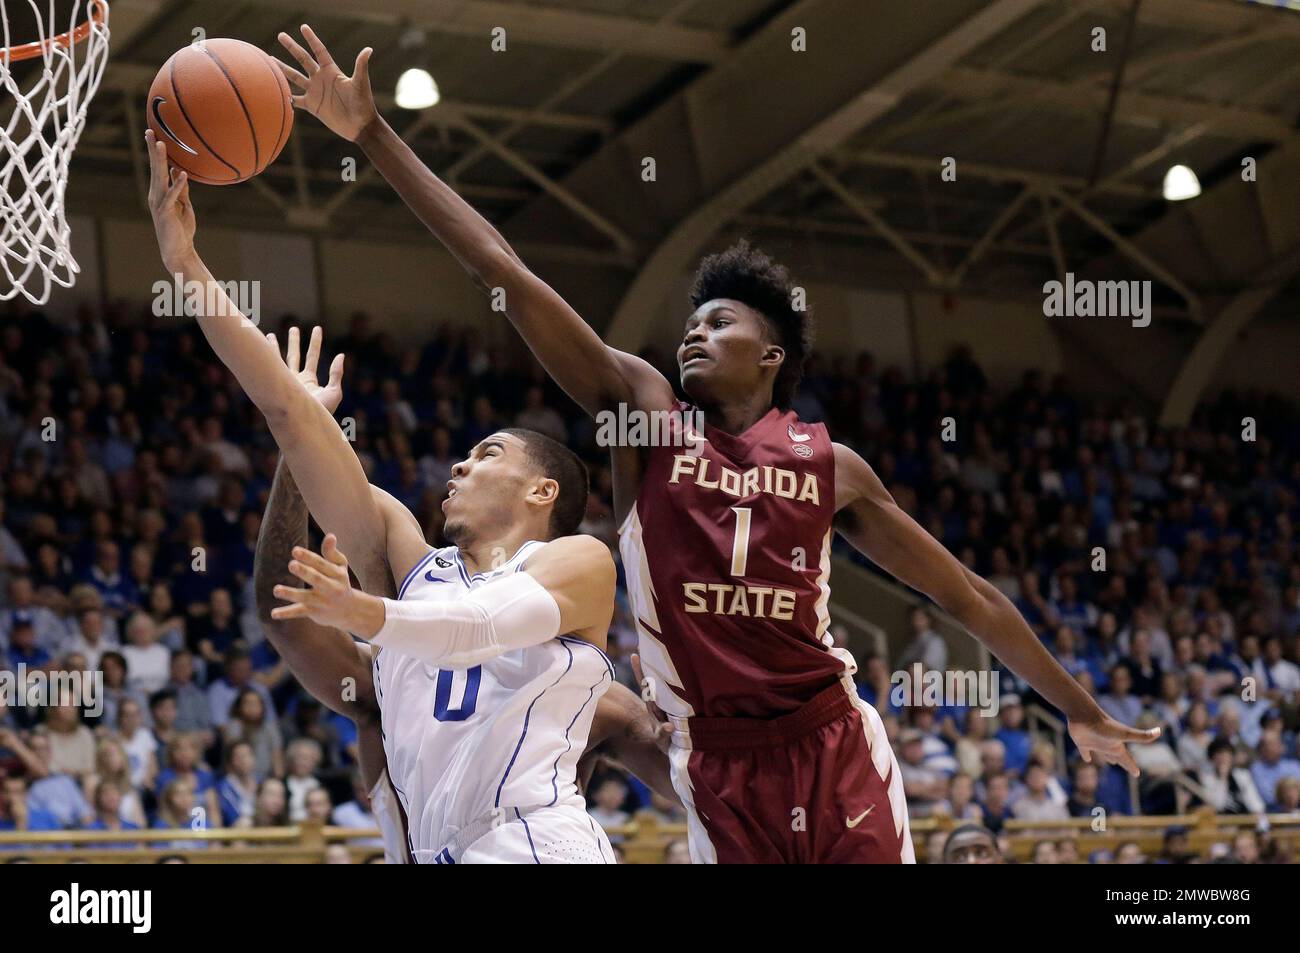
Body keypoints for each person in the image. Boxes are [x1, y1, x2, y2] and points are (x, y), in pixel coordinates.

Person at [269, 25, 1161, 863]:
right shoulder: (646, 418)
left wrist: (1078, 710)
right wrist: (376, 135)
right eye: (691, 318)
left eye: (719, 320)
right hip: (714, 757)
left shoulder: (831, 466)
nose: (694, 331)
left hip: (830, 735)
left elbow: (966, 595)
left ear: (771, 354)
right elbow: (503, 271)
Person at [244, 329, 676, 863]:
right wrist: (297, 429)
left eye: (486, 454)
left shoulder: (591, 689)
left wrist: (689, 724)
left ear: (541, 492)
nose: (459, 466)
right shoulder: (392, 664)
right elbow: (282, 611)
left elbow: (689, 785)